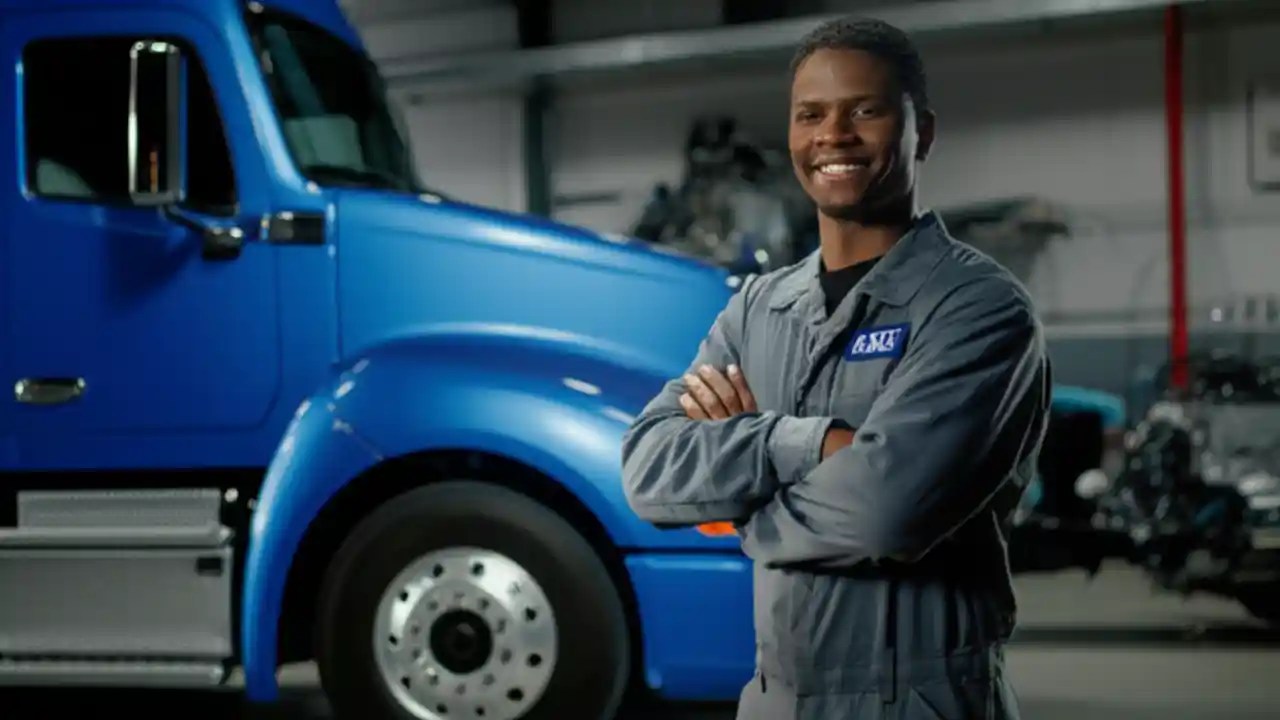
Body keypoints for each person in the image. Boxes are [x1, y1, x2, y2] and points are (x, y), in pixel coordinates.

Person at [620, 15, 1053, 720]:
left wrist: (742, 509)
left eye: (866, 111)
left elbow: (885, 511)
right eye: (811, 115)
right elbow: (648, 469)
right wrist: (808, 444)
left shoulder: (978, 309)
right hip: (774, 701)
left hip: (919, 704)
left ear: (925, 133)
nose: (834, 135)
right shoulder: (760, 307)